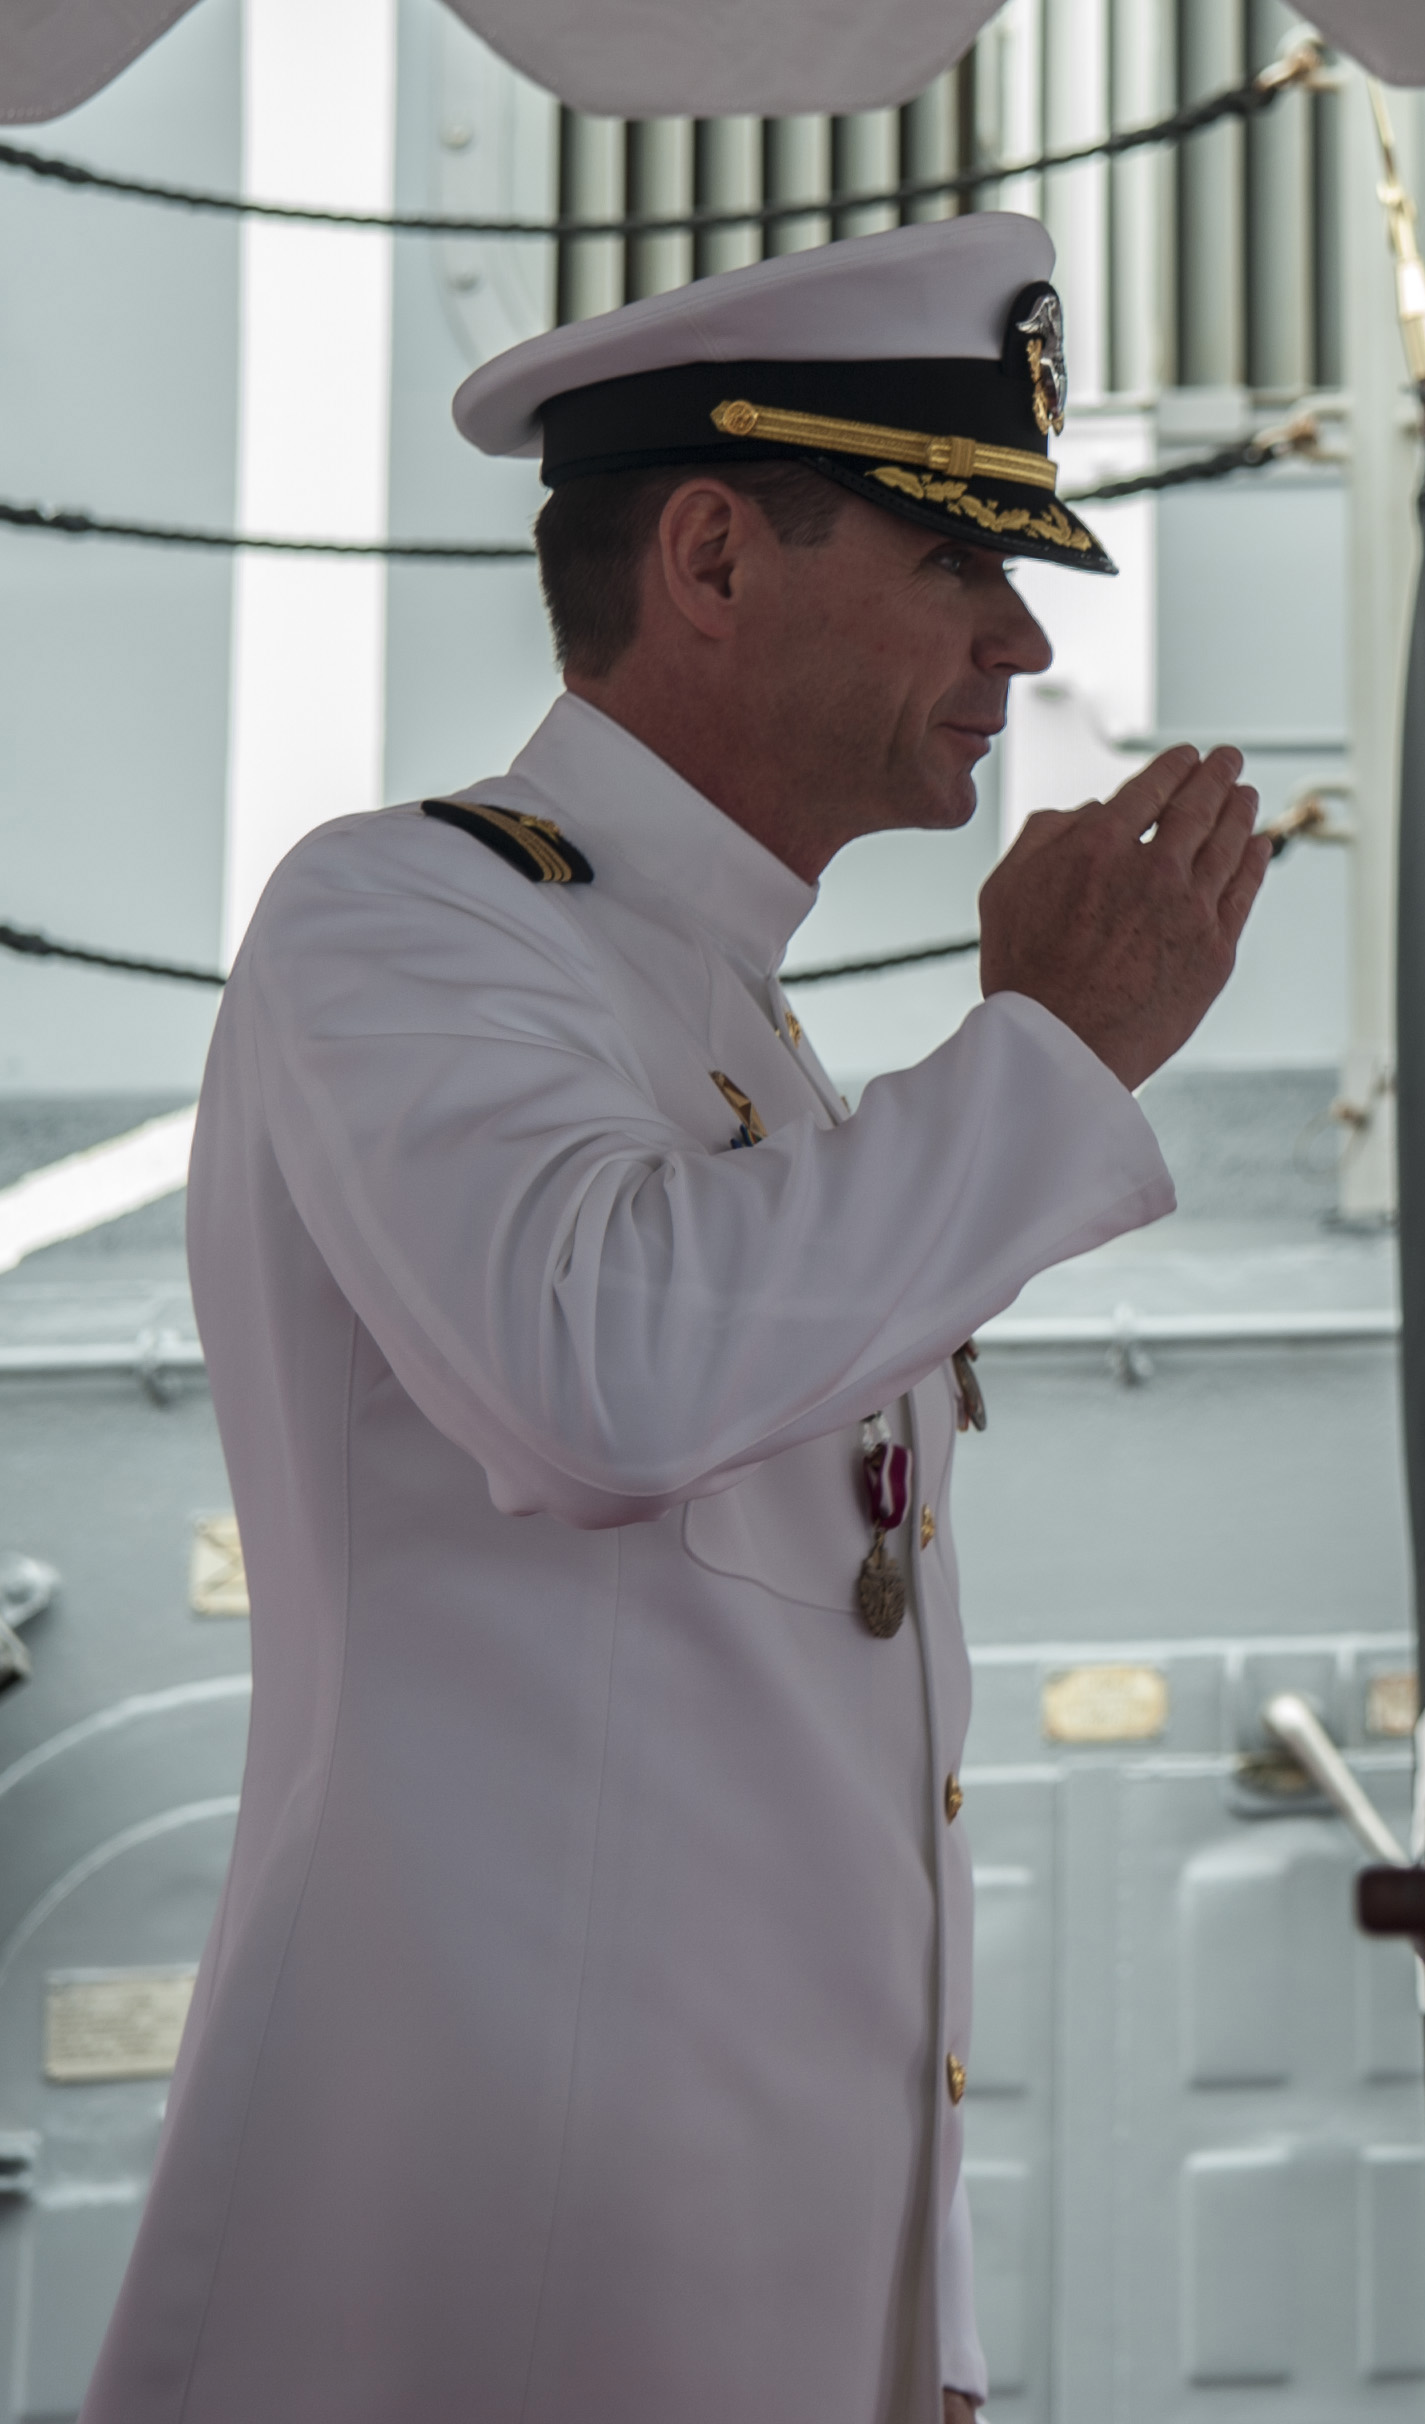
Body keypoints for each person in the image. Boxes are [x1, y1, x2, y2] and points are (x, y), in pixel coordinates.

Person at [86, 214, 1265, 2423]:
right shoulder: (410, 917)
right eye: (956, 563)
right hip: (471, 2298)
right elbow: (600, 1378)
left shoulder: (744, 1035)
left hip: (763, 2306)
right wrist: (1053, 1055)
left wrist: (928, 2338)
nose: (1020, 640)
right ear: (712, 557)